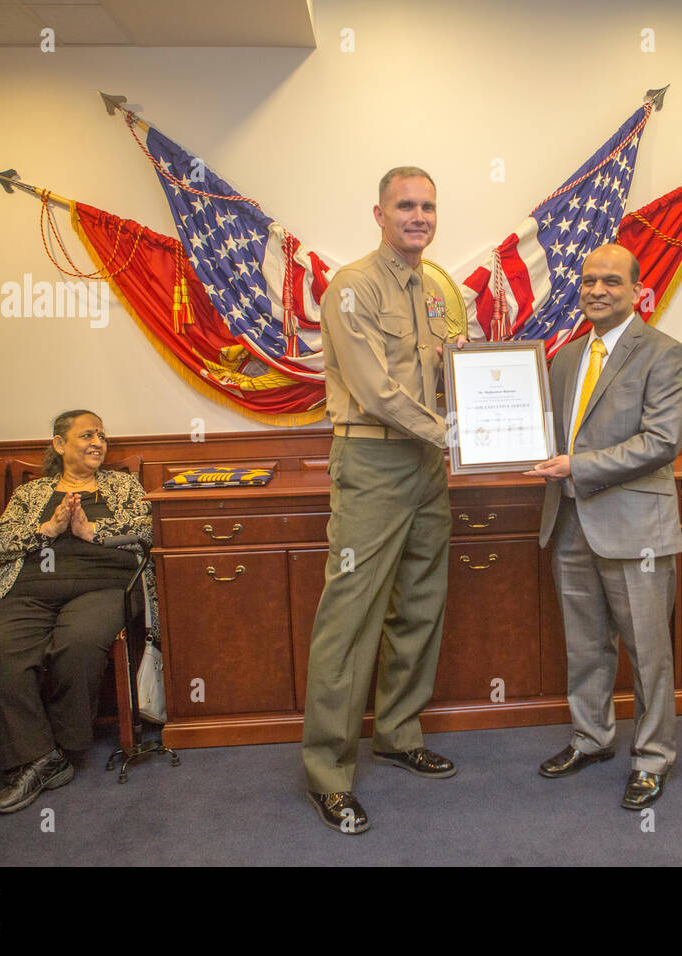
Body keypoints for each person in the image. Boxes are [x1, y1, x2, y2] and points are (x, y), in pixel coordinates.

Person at [301, 166, 460, 834]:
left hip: (425, 464)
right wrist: (452, 433)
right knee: (351, 616)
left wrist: (479, 398)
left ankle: (397, 732)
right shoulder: (352, 288)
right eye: (405, 206)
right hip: (372, 461)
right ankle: (328, 771)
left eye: (426, 206)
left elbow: (439, 377)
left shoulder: (431, 288)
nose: (417, 216)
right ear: (379, 213)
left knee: (420, 604)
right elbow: (373, 390)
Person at [524, 243, 682, 810]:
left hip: (635, 525)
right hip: (569, 519)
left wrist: (579, 466)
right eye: (589, 280)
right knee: (586, 644)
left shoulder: (665, 354)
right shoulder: (566, 357)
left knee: (648, 653)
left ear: (636, 290)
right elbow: (540, 426)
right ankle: (591, 738)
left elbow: (661, 441)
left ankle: (652, 759)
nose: (597, 290)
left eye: (611, 282)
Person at [0, 409, 155, 813]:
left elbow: (147, 532)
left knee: (78, 642)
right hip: (32, 586)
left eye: (102, 436)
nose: (98, 443)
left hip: (103, 583)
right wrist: (48, 530)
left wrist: (93, 532)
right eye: (87, 435)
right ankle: (38, 758)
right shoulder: (31, 494)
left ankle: (65, 745)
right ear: (59, 444)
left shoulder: (121, 485)